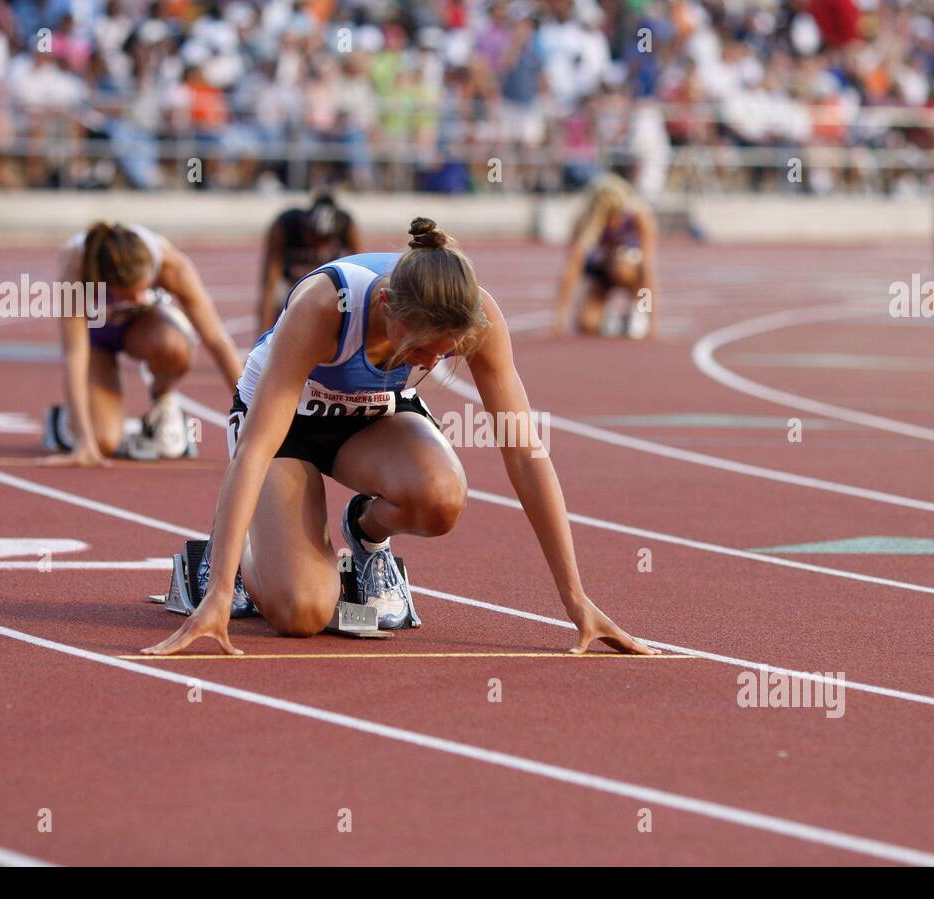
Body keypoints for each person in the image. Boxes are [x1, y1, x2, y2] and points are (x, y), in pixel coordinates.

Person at [142, 218, 656, 657]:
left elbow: (525, 452)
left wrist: (576, 599)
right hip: (286, 424)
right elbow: (255, 448)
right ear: (386, 304)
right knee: (302, 612)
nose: (431, 363)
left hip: (370, 417)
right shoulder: (327, 305)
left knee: (442, 497)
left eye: (443, 353)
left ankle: (364, 533)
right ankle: (213, 562)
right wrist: (217, 593)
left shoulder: (475, 316)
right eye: (420, 350)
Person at [46, 222, 243, 466]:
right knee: (103, 442)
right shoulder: (75, 267)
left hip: (143, 330)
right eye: (130, 294)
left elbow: (217, 341)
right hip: (96, 338)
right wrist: (84, 442)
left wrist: (252, 412)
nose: (140, 299)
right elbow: (75, 355)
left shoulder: (172, 266)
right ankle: (65, 421)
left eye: (144, 289)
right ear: (107, 283)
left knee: (173, 346)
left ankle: (163, 402)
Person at [553, 174, 660, 338]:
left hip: (631, 273)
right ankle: (613, 321)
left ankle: (635, 309)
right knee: (587, 324)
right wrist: (560, 316)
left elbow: (647, 269)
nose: (613, 221)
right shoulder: (584, 220)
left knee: (622, 266)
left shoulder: (639, 216)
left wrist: (650, 318)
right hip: (602, 272)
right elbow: (572, 267)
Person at [257, 192, 361, 336]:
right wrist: (262, 337)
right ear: (305, 225)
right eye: (314, 237)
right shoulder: (286, 225)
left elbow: (359, 271)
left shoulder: (346, 225)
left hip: (326, 284)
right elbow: (270, 282)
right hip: (290, 283)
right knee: (277, 302)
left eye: (324, 240)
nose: (318, 245)